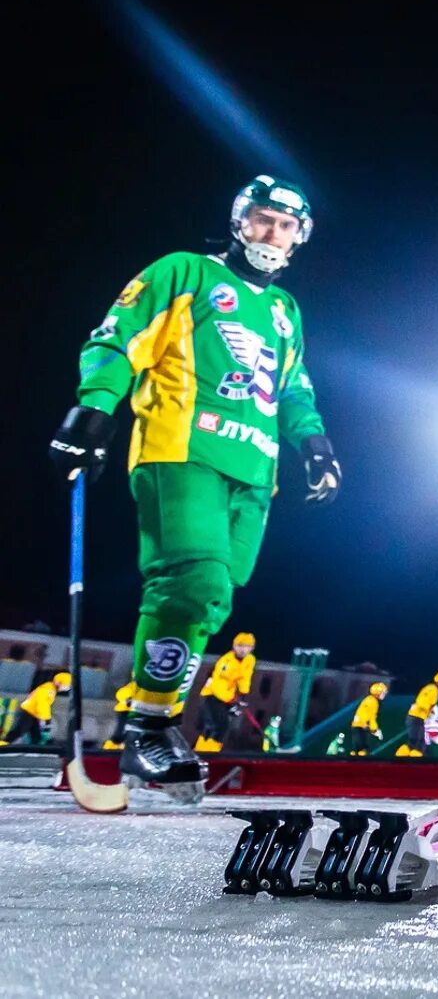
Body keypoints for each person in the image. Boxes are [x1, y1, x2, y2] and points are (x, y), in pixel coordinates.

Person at [48, 175, 338, 799]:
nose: (273, 233)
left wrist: (314, 445)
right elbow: (120, 334)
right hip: (183, 450)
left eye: (287, 226)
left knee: (211, 601)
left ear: (299, 239)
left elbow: (292, 387)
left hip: (255, 472)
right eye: (263, 219)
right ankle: (147, 729)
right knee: (191, 581)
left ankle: (151, 721)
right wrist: (95, 406)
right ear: (240, 221)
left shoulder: (286, 311)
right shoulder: (187, 272)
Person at [195, 632, 256, 753]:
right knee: (219, 726)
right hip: (211, 695)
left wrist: (243, 696)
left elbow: (245, 678)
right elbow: (218, 684)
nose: (243, 650)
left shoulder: (250, 660)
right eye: (240, 646)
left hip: (227, 697)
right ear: (234, 646)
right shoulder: (226, 661)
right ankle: (209, 753)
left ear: (252, 648)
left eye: (247, 646)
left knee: (215, 726)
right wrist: (232, 700)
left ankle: (201, 751)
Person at [1, 672, 71, 746]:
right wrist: (47, 720)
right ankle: (2, 746)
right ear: (58, 683)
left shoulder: (50, 688)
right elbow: (43, 705)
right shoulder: (48, 690)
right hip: (27, 713)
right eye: (66, 685)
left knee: (36, 736)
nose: (66, 687)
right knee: (16, 733)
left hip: (32, 714)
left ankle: (37, 750)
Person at [398, 671, 438, 757]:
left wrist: (436, 714)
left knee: (414, 744)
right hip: (417, 718)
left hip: (416, 717)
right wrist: (434, 713)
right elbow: (423, 703)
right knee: (418, 745)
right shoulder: (433, 689)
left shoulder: (432, 689)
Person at [346, 683, 387, 756]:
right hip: (361, 726)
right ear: (377, 692)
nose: (384, 694)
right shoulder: (373, 701)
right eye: (382, 692)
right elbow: (371, 717)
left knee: (357, 749)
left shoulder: (369, 699)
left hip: (358, 725)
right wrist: (375, 730)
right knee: (363, 750)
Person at [104, 679, 136, 750]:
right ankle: (108, 749)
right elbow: (122, 692)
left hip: (140, 713)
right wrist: (128, 699)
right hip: (126, 711)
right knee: (120, 733)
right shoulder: (135, 685)